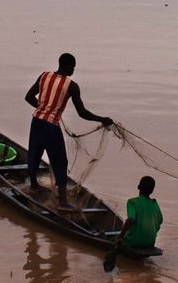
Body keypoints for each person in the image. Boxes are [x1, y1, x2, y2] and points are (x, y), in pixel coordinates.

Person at [25, 52, 112, 210]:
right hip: (51, 126)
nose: (73, 70)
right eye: (73, 67)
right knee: (60, 160)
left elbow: (29, 97)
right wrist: (102, 119)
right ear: (69, 66)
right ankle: (63, 202)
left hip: (36, 121)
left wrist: (43, 108)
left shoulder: (44, 76)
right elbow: (82, 113)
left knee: (34, 153)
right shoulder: (72, 86)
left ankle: (33, 185)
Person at [120, 176, 164, 250]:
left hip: (133, 242)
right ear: (152, 190)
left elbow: (131, 219)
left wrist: (120, 236)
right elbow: (160, 220)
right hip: (150, 243)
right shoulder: (154, 204)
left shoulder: (132, 202)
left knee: (114, 238)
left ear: (138, 187)